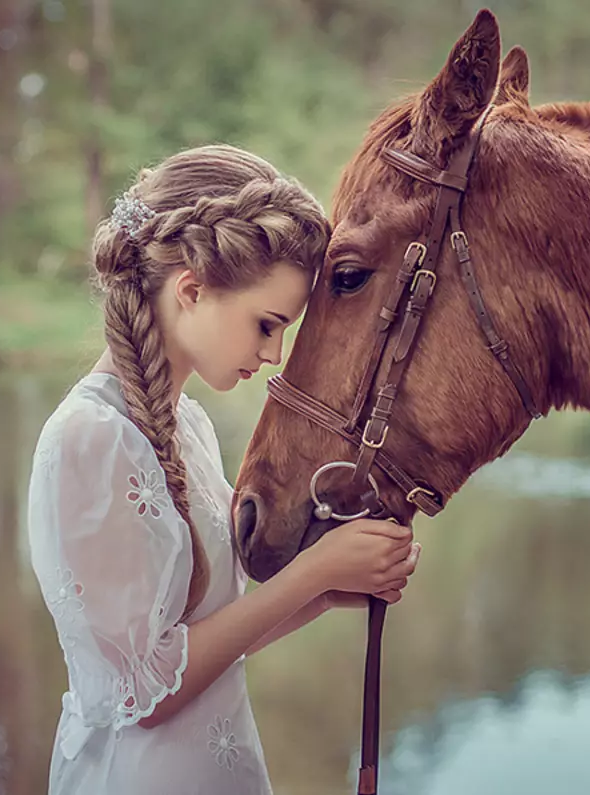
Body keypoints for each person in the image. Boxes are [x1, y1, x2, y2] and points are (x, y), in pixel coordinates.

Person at [26, 144, 421, 795]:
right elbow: (146, 692)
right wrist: (314, 573)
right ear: (192, 289)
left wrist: (328, 589)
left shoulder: (190, 426)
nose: (273, 353)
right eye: (266, 324)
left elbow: (205, 640)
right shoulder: (90, 438)